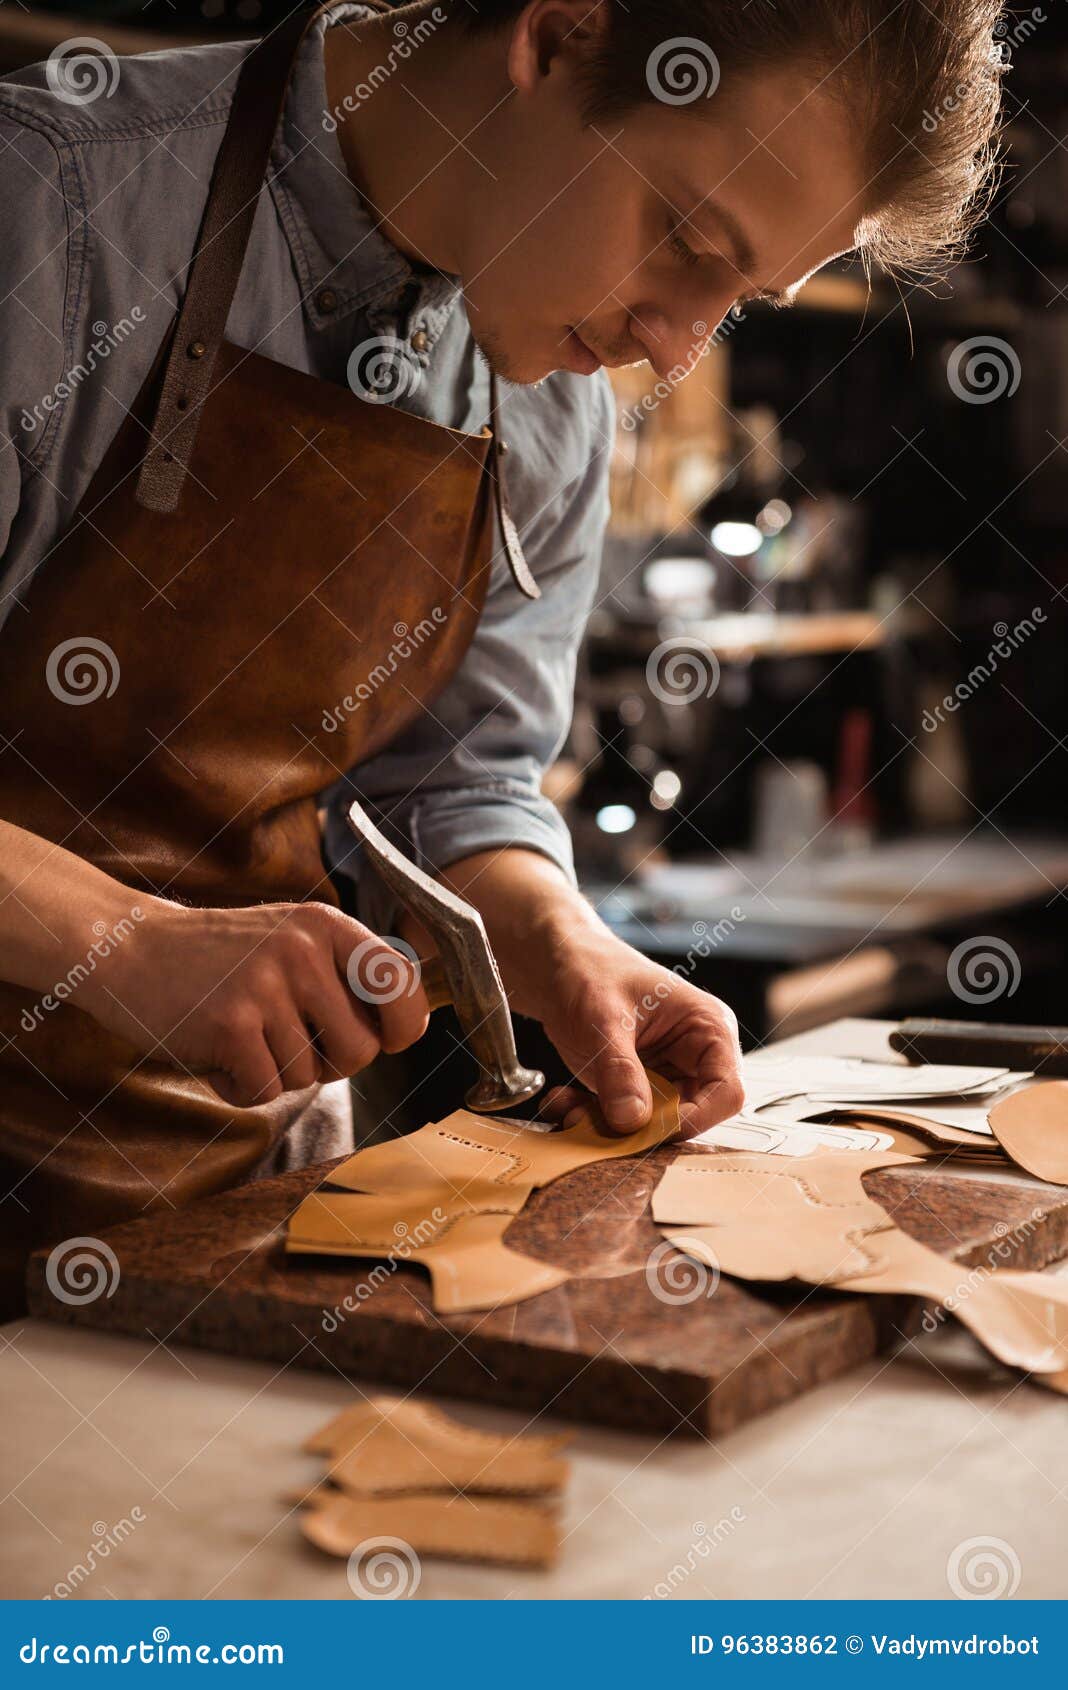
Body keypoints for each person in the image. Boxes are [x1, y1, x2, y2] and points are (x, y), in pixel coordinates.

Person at [0, 0, 1002, 1309]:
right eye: (687, 240)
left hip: (225, 1222)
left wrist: (557, 938)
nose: (677, 344)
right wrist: (125, 946)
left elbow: (454, 781)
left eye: (736, 300)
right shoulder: (58, 209)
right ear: (557, 36)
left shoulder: (552, 396)